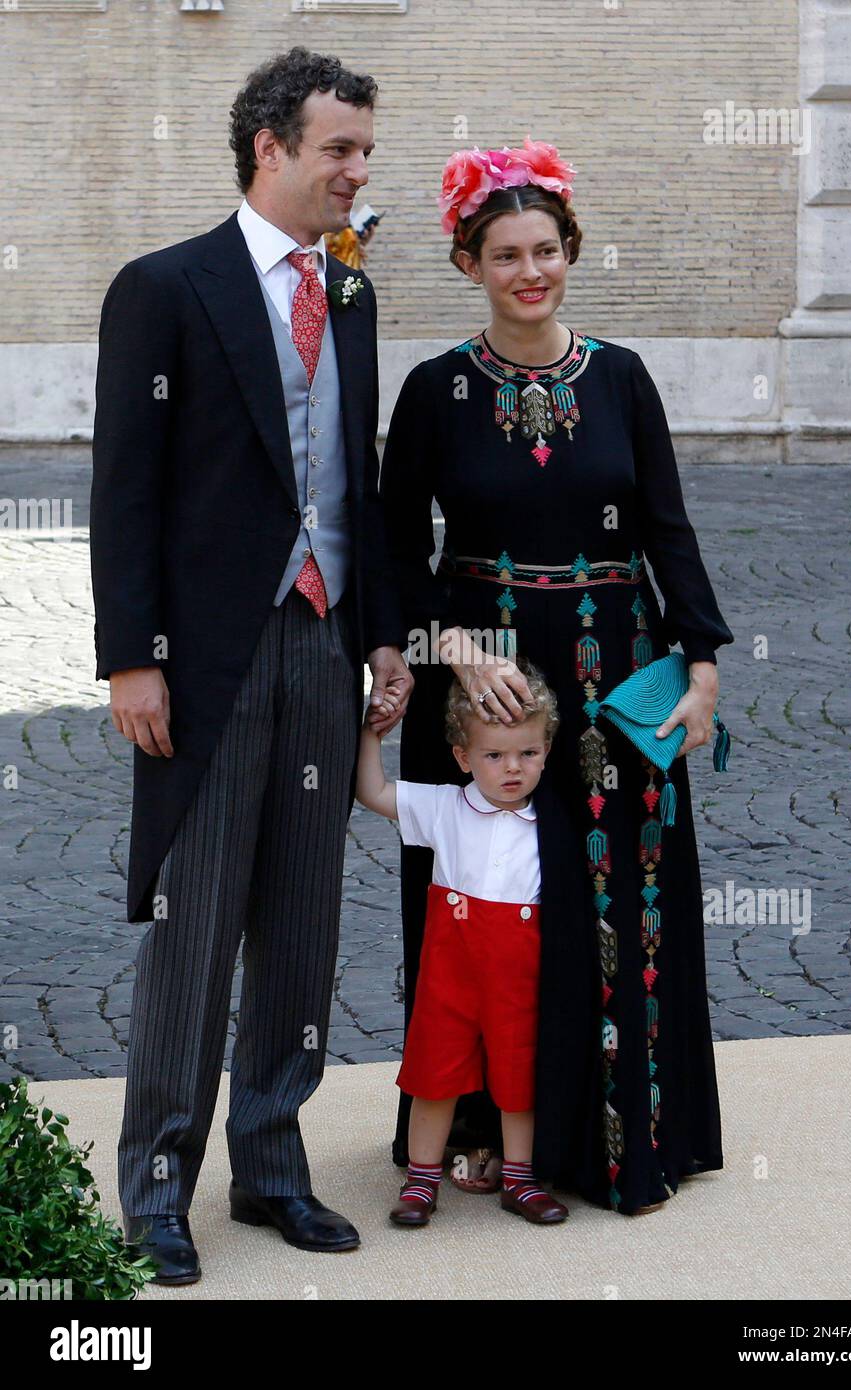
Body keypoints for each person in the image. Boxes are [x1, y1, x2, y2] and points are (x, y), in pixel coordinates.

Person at [89, 48, 412, 1284]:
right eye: (339, 149)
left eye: (365, 151)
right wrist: (132, 662)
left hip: (324, 643)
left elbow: (357, 486)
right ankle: (159, 1186)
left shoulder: (354, 296)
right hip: (205, 656)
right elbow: (124, 490)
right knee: (193, 916)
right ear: (269, 146)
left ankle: (272, 1165)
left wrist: (379, 636)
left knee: (301, 917)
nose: (357, 171)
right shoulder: (163, 288)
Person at [379, 140, 735, 1215]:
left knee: (616, 902)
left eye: (544, 250)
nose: (527, 271)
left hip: (614, 671)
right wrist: (455, 650)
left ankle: (623, 1131)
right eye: (503, 254)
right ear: (468, 262)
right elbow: (397, 558)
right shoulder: (433, 390)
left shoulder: (621, 377)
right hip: (480, 679)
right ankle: (477, 1128)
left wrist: (704, 663)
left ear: (569, 251)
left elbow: (666, 527)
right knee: (476, 909)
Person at [356, 659, 569, 1227]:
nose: (512, 769)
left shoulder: (554, 826)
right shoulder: (445, 807)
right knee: (435, 1074)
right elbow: (371, 790)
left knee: (520, 1078)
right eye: (494, 756)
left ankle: (519, 1179)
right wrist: (372, 731)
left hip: (520, 977)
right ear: (463, 757)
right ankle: (422, 1180)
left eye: (527, 753)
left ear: (547, 751)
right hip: (450, 974)